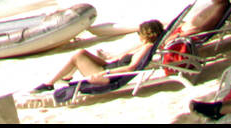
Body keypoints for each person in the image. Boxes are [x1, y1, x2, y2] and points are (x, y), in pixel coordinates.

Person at [33, 20, 165, 93]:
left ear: (146, 34)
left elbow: (131, 68)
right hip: (109, 67)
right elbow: (122, 57)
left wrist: (106, 72)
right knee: (83, 52)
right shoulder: (144, 45)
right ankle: (65, 78)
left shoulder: (146, 47)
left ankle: (49, 84)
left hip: (108, 77)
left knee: (78, 56)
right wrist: (107, 57)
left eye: (139, 33)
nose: (138, 35)